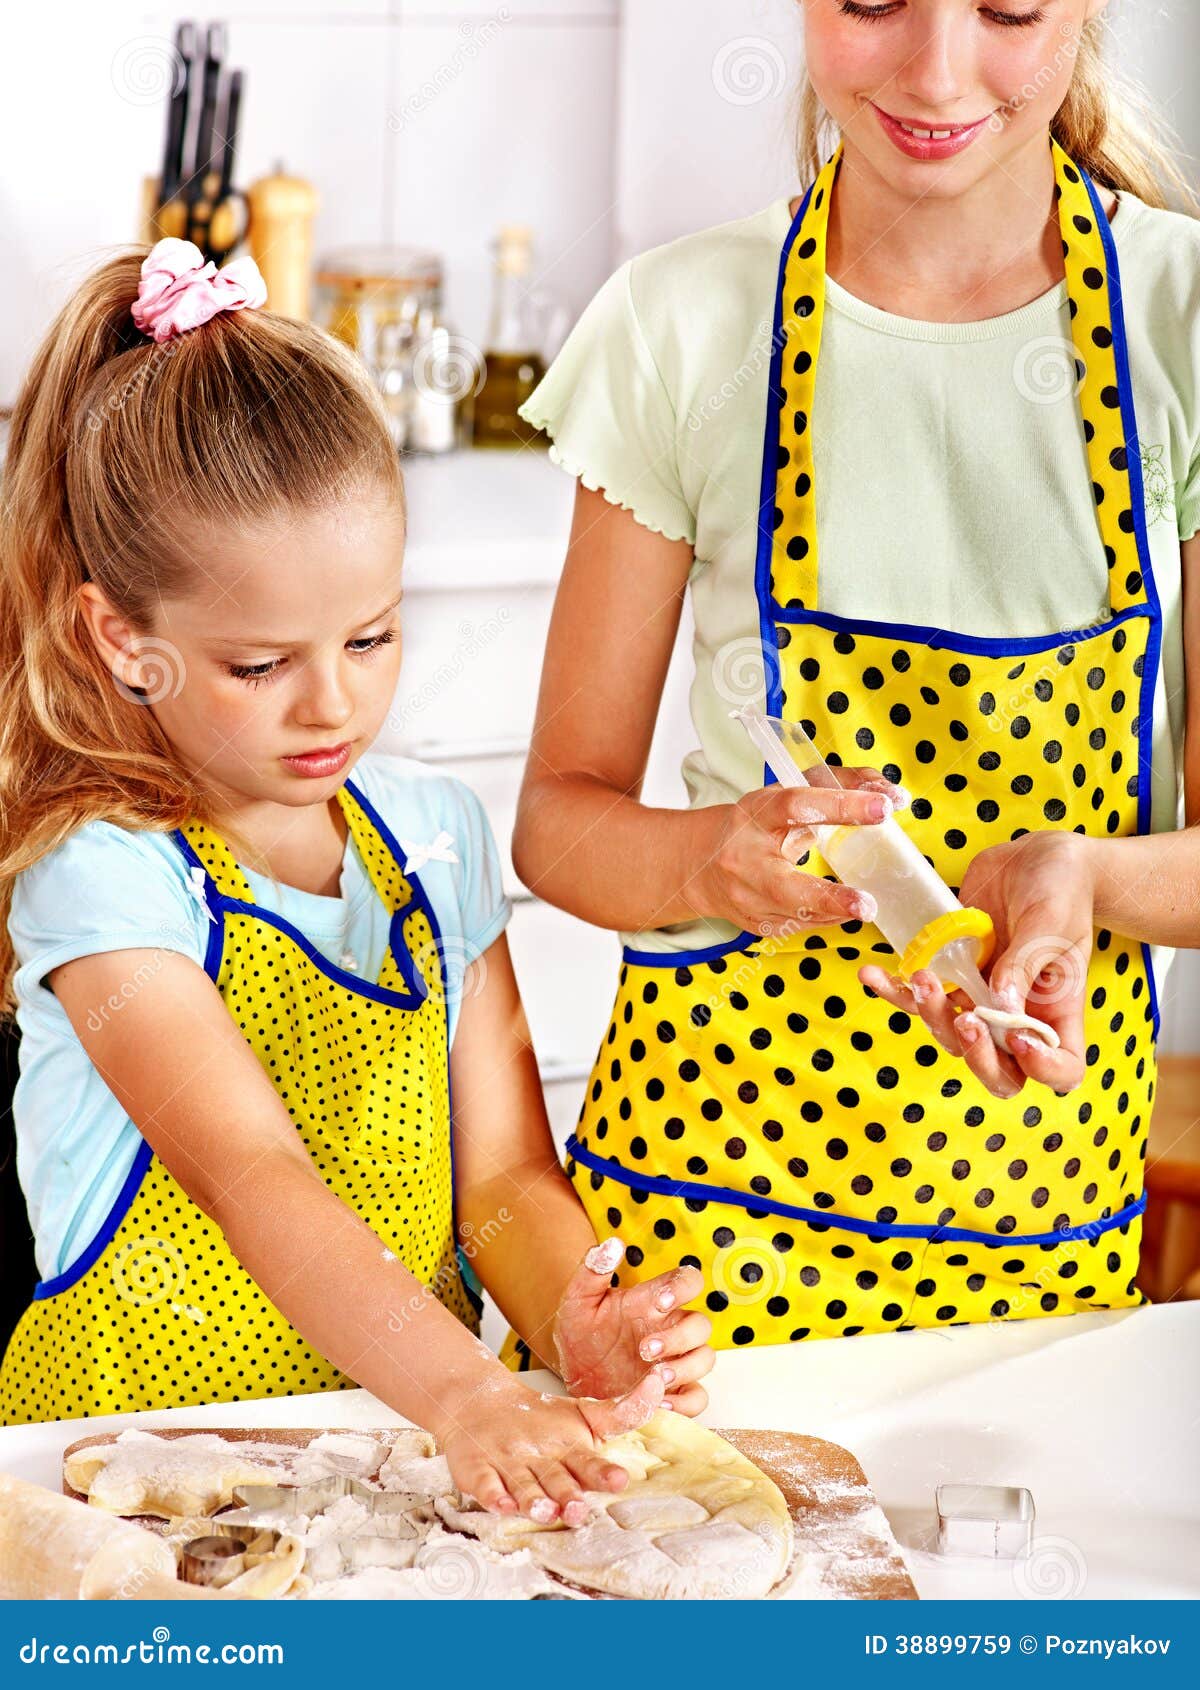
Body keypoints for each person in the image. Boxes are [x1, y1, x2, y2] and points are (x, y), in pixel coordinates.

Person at [511, 0, 1200, 1347]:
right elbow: (559, 819)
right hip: (697, 1250)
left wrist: (1088, 877)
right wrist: (713, 858)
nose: (937, 73)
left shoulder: (1179, 319)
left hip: (1039, 1259)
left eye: (1007, 9)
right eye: (874, 0)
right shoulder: (683, 323)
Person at [0, 237, 713, 1522]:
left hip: (395, 1478)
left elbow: (499, 1182)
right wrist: (464, 1394)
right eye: (261, 663)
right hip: (133, 1484)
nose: (333, 703)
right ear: (125, 639)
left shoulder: (433, 836)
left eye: (372, 636)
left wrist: (570, 1322)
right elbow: (254, 1177)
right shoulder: (103, 878)